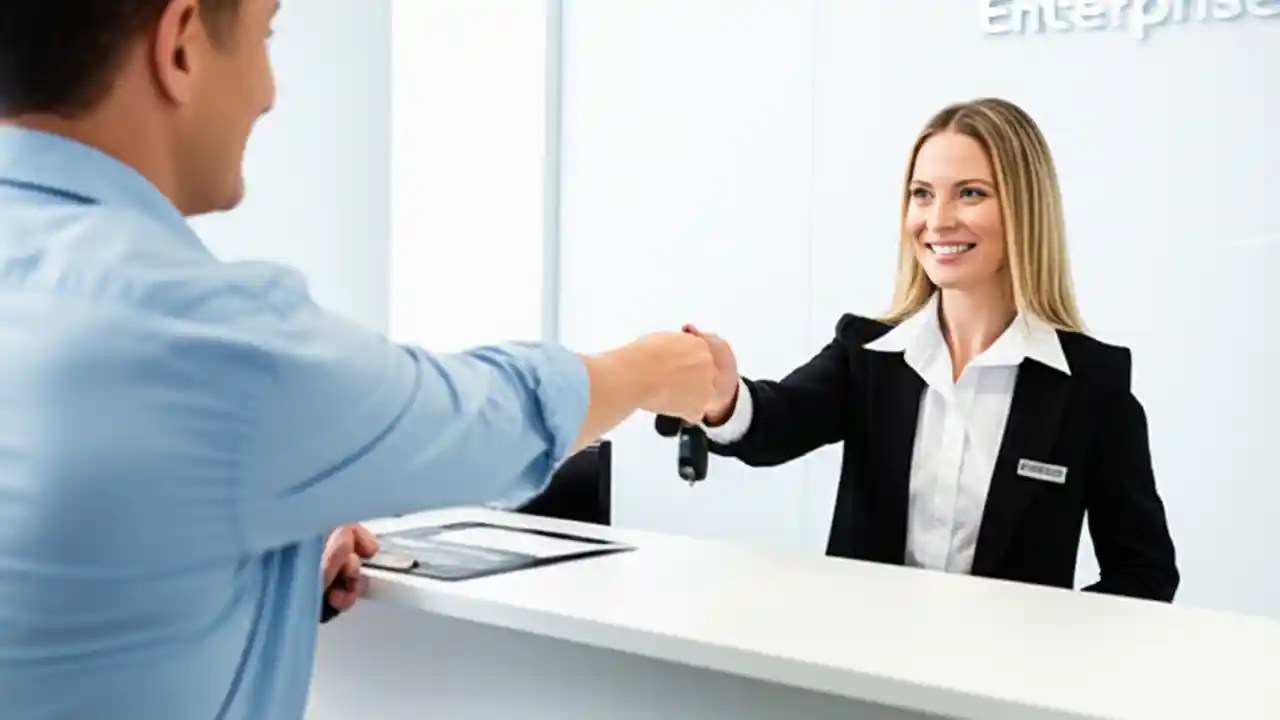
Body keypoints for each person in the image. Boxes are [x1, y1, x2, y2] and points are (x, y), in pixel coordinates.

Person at [0, 1, 718, 718]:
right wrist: (649, 371)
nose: (269, 91)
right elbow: (493, 418)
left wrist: (251, 571)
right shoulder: (204, 338)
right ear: (181, 44)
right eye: (264, 37)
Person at [677, 97, 1179, 601]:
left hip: (1001, 676)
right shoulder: (868, 353)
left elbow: (1144, 571)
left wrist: (1045, 640)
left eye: (970, 194)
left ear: (1025, 209)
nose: (937, 221)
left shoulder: (1090, 384)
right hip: (863, 668)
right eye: (922, 194)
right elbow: (775, 423)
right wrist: (724, 399)